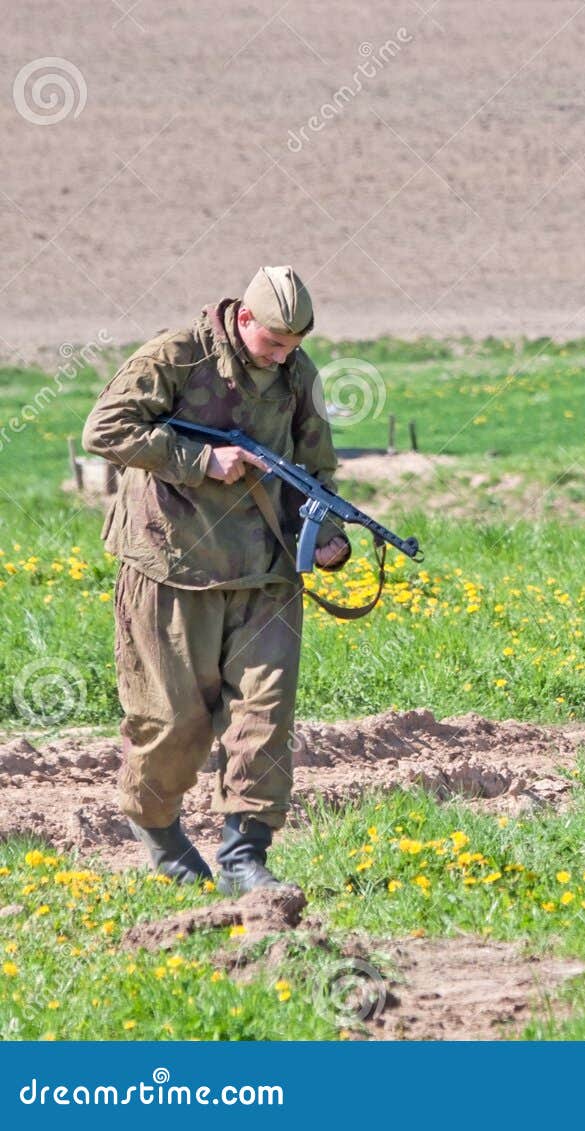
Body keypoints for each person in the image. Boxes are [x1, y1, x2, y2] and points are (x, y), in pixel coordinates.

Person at [82, 266, 350, 894]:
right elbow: (106, 430)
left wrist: (329, 532)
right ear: (244, 319)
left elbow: (315, 464)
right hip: (170, 564)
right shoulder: (175, 356)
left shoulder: (296, 372)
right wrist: (200, 461)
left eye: (295, 345)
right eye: (275, 342)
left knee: (264, 715)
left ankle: (244, 856)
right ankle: (162, 835)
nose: (285, 356)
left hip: (265, 571)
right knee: (174, 722)